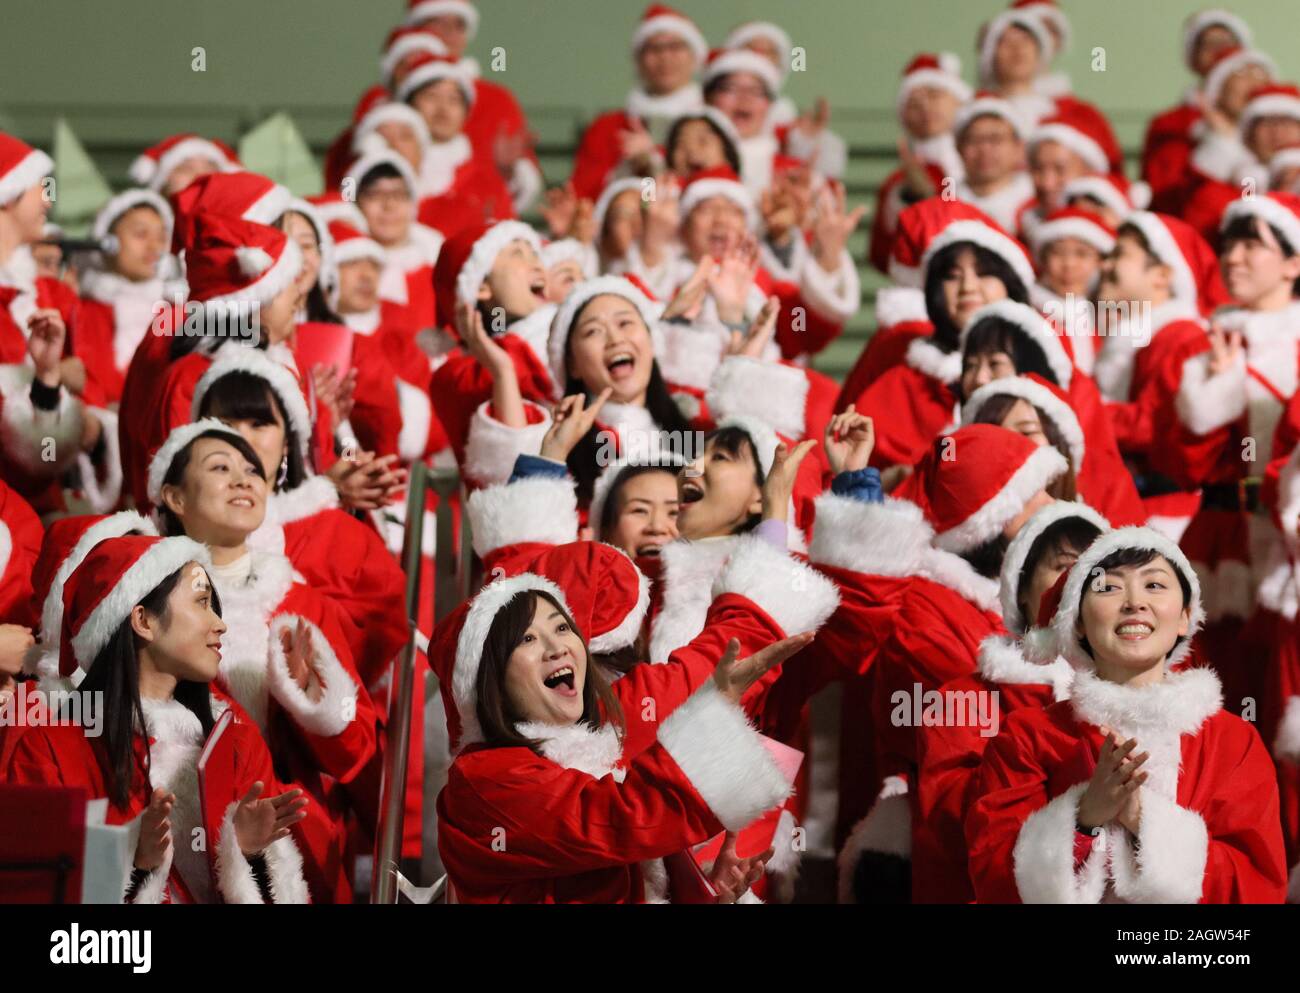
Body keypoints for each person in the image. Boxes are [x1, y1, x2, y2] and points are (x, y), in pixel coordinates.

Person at [967, 527, 1288, 904]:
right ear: (1079, 622)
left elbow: (1258, 887)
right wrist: (1085, 816)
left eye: (1154, 585)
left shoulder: (1234, 742)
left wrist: (1143, 820)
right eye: (1109, 587)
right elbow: (992, 877)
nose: (1135, 602)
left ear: (1185, 617)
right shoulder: (1028, 738)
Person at [5, 534, 313, 903]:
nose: (220, 624)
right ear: (143, 620)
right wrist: (135, 863)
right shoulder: (50, 749)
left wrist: (247, 854)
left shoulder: (235, 737)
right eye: (202, 603)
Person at [149, 420, 379, 901]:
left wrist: (312, 702)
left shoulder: (299, 601)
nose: (243, 479)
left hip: (288, 838)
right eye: (220, 467)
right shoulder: (145, 600)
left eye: (253, 470)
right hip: (169, 836)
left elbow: (357, 752)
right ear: (174, 497)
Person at [913, 501, 1107, 902]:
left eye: (1099, 572)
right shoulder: (961, 699)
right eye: (1063, 566)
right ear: (1020, 589)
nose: (1079, 583)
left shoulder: (1144, 695)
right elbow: (956, 828)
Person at [569, 4, 709, 201]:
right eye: (654, 48)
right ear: (638, 59)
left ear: (695, 56)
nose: (665, 57)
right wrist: (635, 172)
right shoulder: (608, 128)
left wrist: (654, 164)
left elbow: (713, 191)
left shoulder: (711, 125)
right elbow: (583, 197)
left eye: (675, 47)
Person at [1141, 10, 1255, 214]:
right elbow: (1167, 195)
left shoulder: (1266, 122)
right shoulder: (1171, 125)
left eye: (1228, 43)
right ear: (1193, 58)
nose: (1219, 51)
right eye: (1208, 44)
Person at [868, 53, 971, 276]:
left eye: (934, 95)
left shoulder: (988, 163)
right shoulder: (897, 184)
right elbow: (881, 257)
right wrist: (913, 200)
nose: (925, 107)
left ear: (959, 100)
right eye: (914, 102)